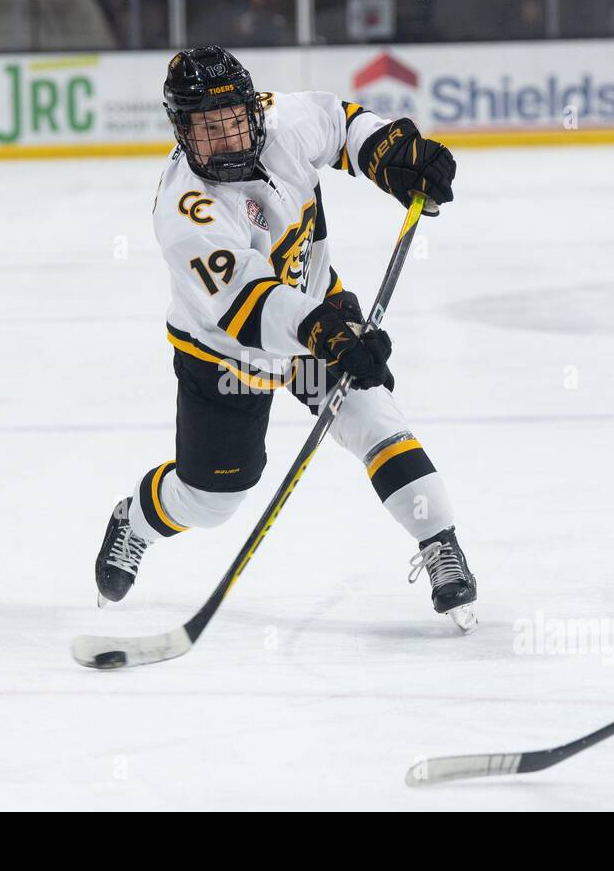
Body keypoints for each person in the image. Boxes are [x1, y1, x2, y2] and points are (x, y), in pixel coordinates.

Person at [93, 46, 479, 632]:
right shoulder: (186, 209)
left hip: (318, 314)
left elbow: (343, 124)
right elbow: (250, 305)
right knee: (213, 501)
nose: (225, 139)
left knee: (375, 419)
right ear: (181, 132)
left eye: (233, 122)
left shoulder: (283, 123)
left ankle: (439, 543)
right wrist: (328, 333)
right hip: (226, 354)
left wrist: (395, 154)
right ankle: (136, 522)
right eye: (207, 129)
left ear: (252, 110)